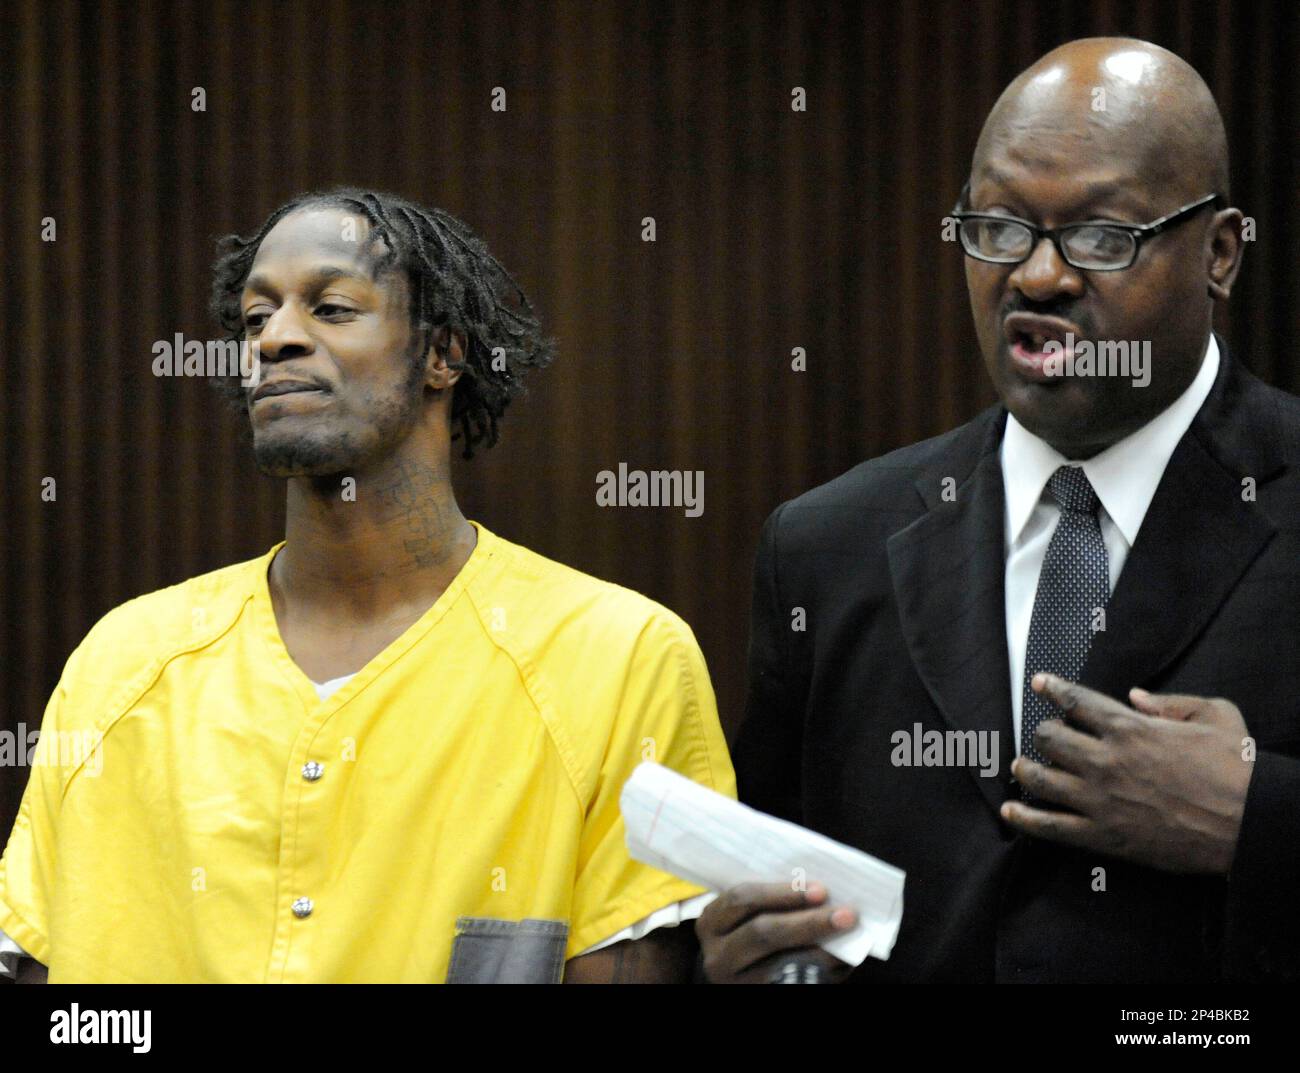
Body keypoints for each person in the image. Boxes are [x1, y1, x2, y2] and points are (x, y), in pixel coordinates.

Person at [0, 188, 734, 984]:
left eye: (332, 308)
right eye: (254, 318)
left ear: (442, 354)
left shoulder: (617, 657)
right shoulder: (121, 661)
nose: (275, 338)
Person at [698, 38, 1300, 983]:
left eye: (1103, 236)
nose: (1038, 277)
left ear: (1220, 253)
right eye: (999, 227)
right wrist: (739, 958)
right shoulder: (826, 546)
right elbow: (770, 901)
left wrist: (1259, 817)